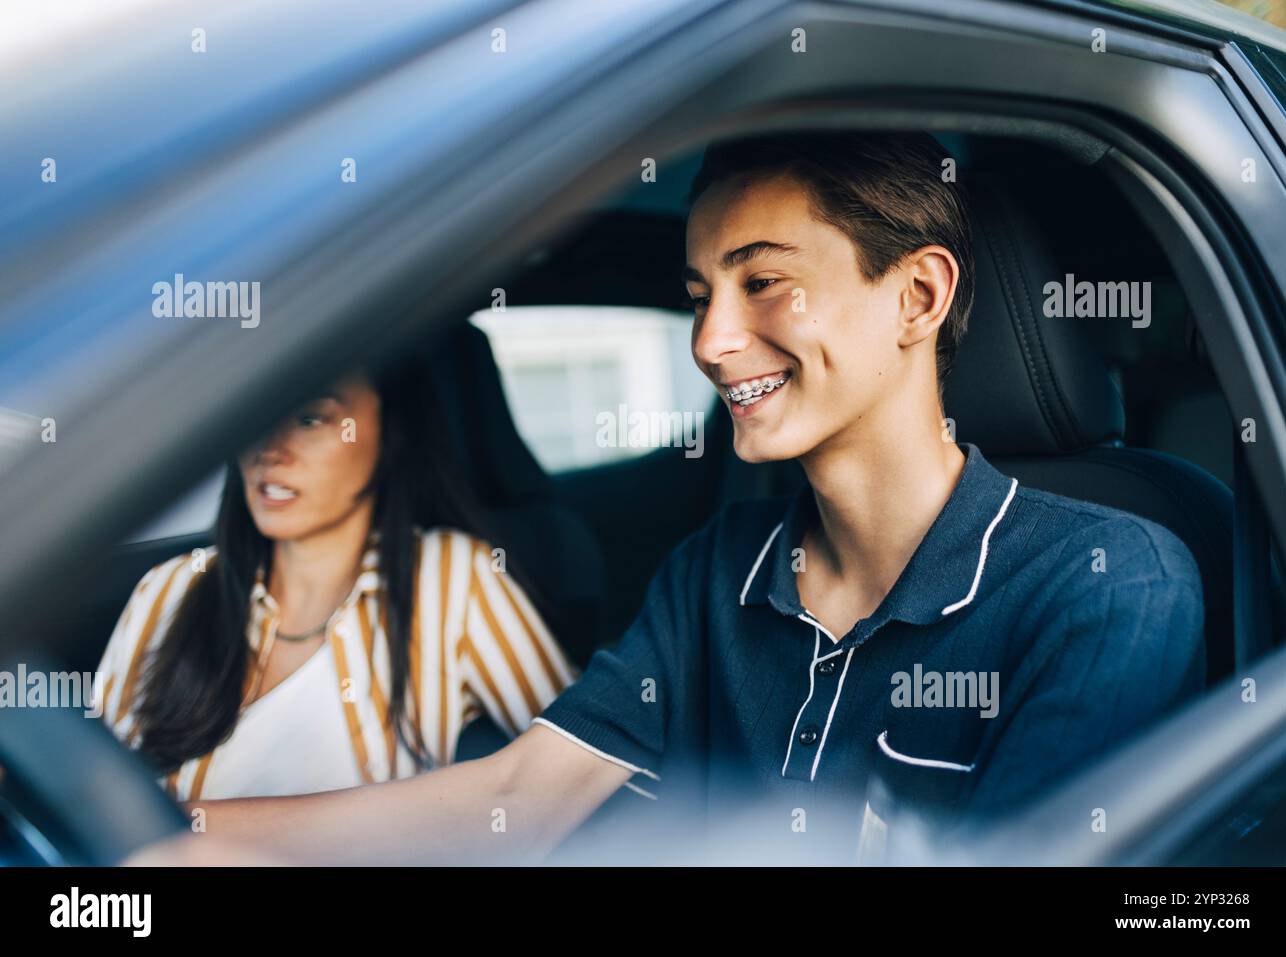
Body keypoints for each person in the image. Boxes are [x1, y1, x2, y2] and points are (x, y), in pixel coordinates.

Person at [128, 131, 1205, 865]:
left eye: (762, 281)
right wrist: (166, 831)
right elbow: (517, 800)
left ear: (916, 296)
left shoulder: (1107, 584)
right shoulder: (717, 570)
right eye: (698, 296)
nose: (709, 340)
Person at [98, 359, 576, 801]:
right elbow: (87, 790)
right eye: (255, 416)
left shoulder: (453, 578)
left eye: (309, 419)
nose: (269, 450)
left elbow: (580, 768)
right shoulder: (170, 587)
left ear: (391, 434)